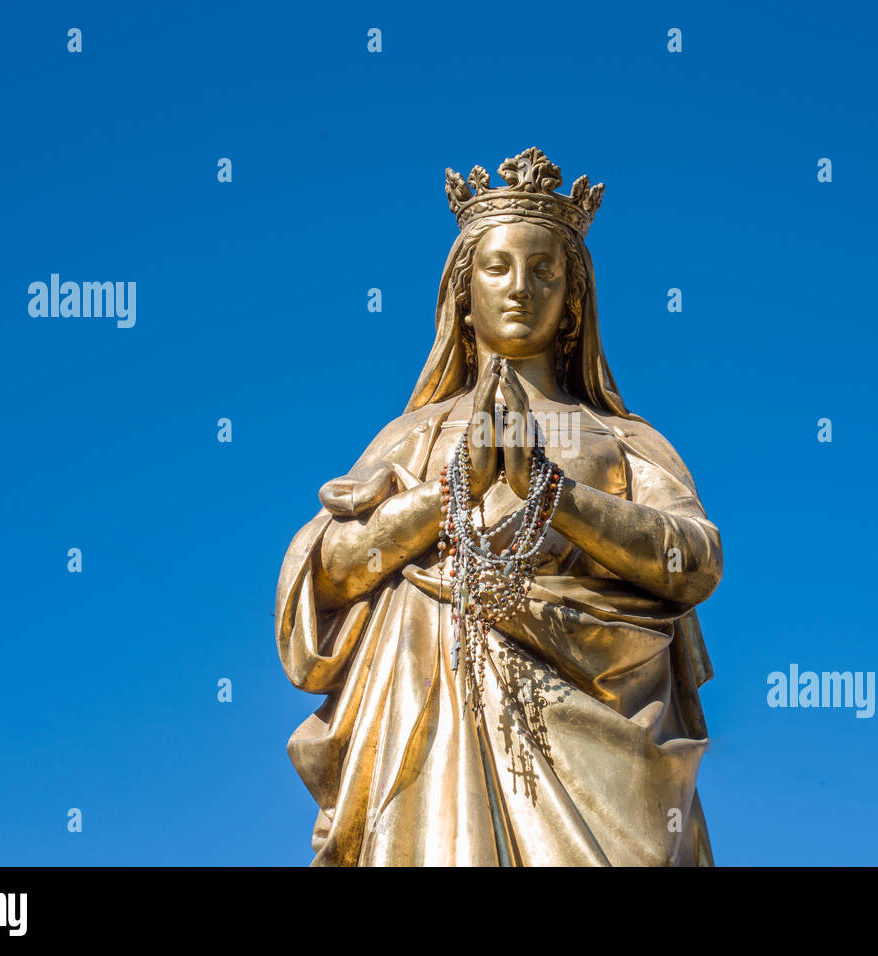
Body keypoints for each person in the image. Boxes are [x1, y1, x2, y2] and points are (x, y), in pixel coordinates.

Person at [275, 147, 722, 865]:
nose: (521, 287)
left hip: (597, 740)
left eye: (545, 270)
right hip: (428, 725)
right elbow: (326, 571)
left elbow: (694, 559)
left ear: (574, 298)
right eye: (498, 267)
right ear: (463, 291)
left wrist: (556, 496)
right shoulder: (411, 435)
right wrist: (447, 493)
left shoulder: (618, 436)